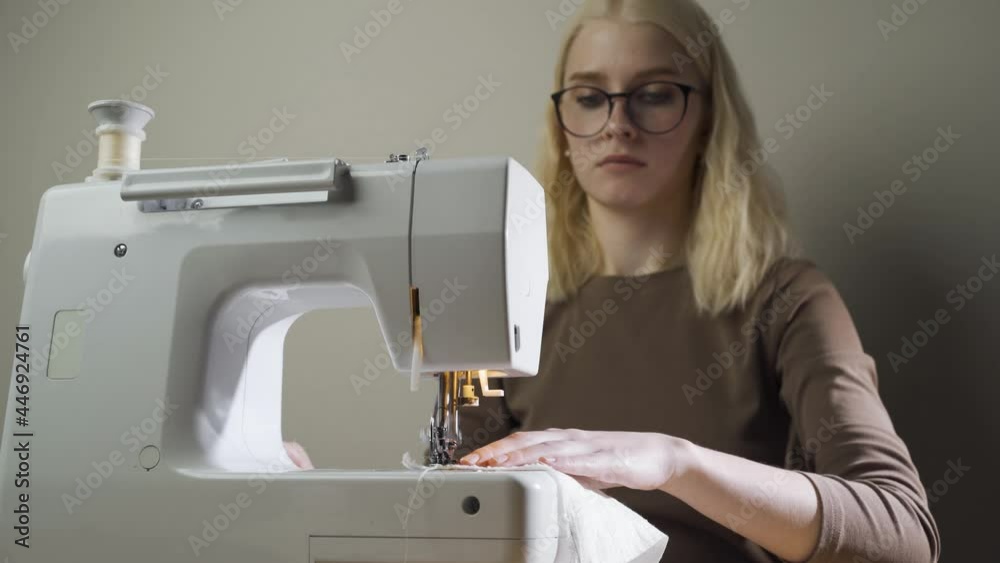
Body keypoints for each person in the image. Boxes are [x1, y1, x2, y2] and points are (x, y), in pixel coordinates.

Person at [287, 1, 941, 561]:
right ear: (562, 123)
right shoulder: (502, 303)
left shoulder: (788, 300)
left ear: (709, 118)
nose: (616, 123)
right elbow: (457, 523)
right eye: (589, 96)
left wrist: (675, 463)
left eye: (654, 93)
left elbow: (902, 533)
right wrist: (323, 505)